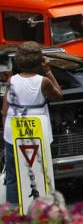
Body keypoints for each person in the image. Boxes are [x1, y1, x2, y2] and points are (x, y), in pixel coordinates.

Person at [2, 42, 63, 204]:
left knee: (13, 176)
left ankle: (13, 215)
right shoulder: (43, 82)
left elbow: (5, 111)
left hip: (13, 132)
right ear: (39, 62)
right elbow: (58, 95)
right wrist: (48, 71)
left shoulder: (11, 81)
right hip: (38, 132)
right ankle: (40, 210)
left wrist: (6, 130)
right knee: (40, 173)